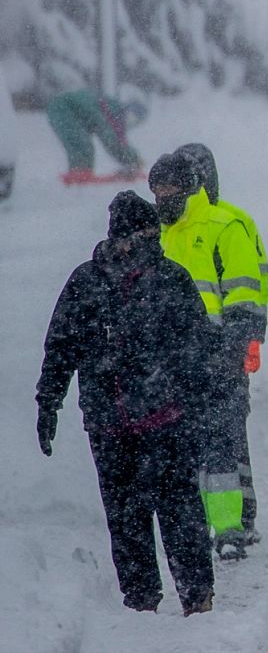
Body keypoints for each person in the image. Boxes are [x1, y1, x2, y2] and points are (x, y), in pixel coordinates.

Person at [37, 191, 216, 615]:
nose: (151, 242)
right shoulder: (85, 283)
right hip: (108, 425)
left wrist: (200, 406)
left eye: (155, 235)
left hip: (166, 420)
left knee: (180, 509)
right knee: (124, 516)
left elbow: (197, 348)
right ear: (119, 237)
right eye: (143, 234)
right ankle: (139, 600)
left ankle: (197, 596)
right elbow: (60, 347)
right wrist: (48, 401)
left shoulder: (172, 279)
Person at [160, 144, 268, 559]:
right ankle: (235, 518)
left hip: (220, 351)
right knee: (220, 439)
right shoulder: (168, 227)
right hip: (185, 356)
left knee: (225, 438)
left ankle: (236, 522)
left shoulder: (231, 223)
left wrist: (245, 343)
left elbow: (251, 287)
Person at [47, 88, 146, 183]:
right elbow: (112, 140)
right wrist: (134, 160)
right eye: (132, 116)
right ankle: (80, 172)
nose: (130, 121)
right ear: (126, 108)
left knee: (80, 140)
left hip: (62, 108)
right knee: (81, 143)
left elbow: (115, 138)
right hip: (64, 108)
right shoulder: (112, 111)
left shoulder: (109, 107)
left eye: (136, 121)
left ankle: (80, 171)